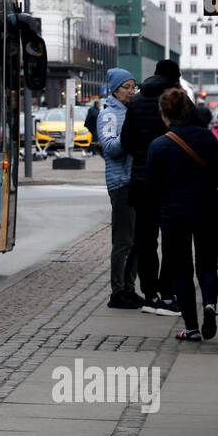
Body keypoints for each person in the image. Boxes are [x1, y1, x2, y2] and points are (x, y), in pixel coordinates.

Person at [145, 87, 218, 341]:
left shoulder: (159, 146)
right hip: (207, 209)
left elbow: (152, 187)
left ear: (164, 114)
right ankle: (210, 305)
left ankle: (191, 327)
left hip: (174, 214)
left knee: (181, 268)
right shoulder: (207, 138)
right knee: (206, 264)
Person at [120, 59, 182, 316]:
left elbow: (126, 140)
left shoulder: (136, 101)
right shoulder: (178, 100)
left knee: (145, 240)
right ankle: (167, 293)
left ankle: (149, 293)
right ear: (175, 77)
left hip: (141, 179)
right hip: (170, 181)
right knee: (172, 239)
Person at [99, 68, 142, 310]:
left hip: (133, 180)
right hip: (120, 183)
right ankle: (118, 291)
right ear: (115, 90)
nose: (130, 91)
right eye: (126, 87)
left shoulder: (129, 112)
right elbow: (109, 147)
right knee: (123, 240)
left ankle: (129, 287)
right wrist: (130, 136)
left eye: (132, 86)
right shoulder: (109, 115)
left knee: (136, 240)